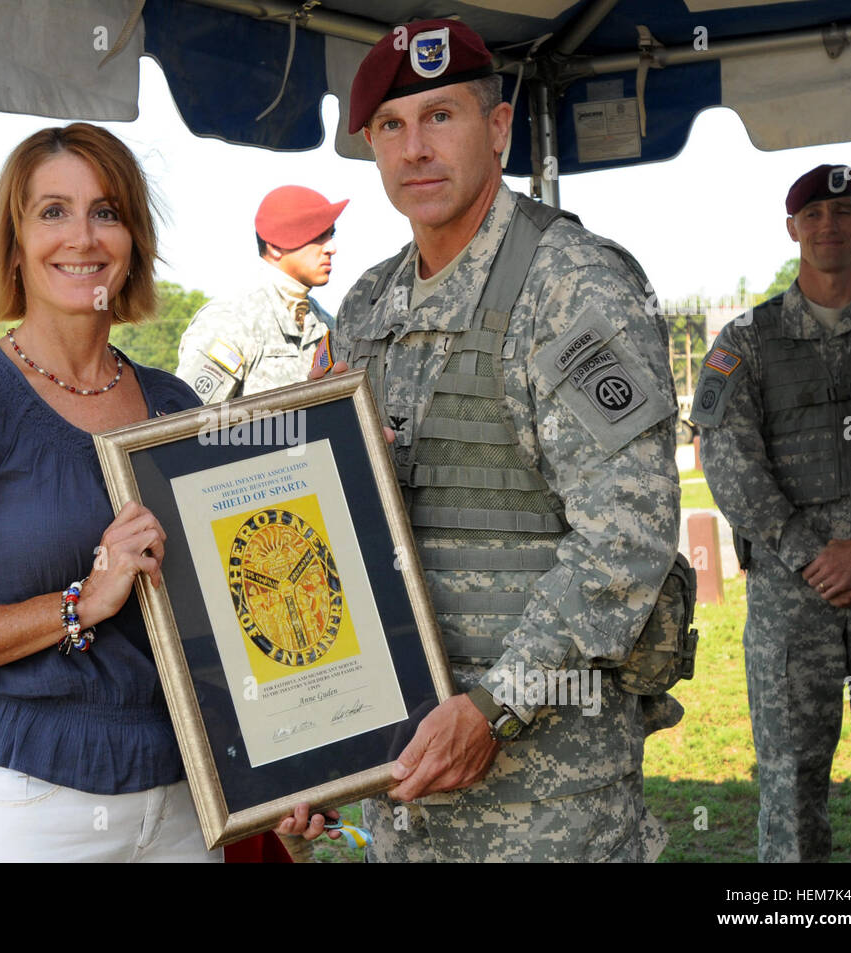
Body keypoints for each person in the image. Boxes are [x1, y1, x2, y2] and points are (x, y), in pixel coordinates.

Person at [279, 18, 681, 861]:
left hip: (550, 801)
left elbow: (627, 537)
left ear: (498, 129)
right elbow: (338, 528)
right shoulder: (366, 308)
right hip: (407, 783)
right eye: (391, 126)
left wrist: (496, 705)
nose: (415, 149)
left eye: (441, 117)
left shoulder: (572, 286)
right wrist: (304, 740)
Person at [0, 123, 219, 863]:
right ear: (15, 242)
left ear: (133, 240)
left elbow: (221, 617)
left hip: (185, 806)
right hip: (23, 805)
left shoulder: (176, 406)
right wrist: (82, 600)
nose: (82, 237)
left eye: (108, 212)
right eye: (52, 211)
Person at [692, 164, 851, 862]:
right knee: (789, 786)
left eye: (842, 211)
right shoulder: (746, 342)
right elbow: (728, 462)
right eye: (812, 215)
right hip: (792, 600)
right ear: (792, 230)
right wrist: (816, 554)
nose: (828, 226)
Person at [175, 185, 346, 403]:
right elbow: (187, 423)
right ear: (275, 246)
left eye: (330, 235)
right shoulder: (232, 320)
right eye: (318, 236)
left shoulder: (323, 324)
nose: (331, 247)